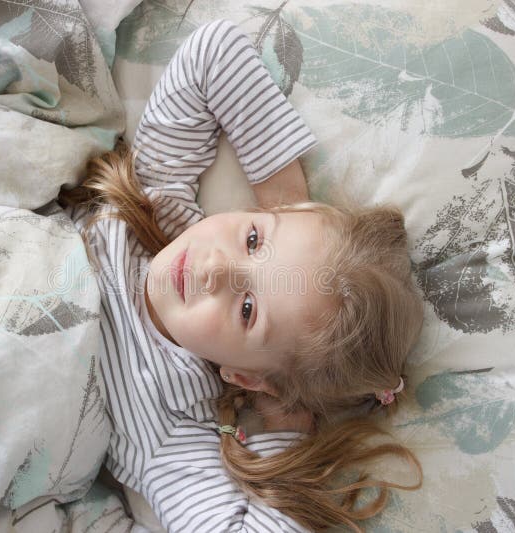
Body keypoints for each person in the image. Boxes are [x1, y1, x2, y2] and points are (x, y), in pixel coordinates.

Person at [59, 19, 423, 533]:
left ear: (249, 377)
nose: (212, 267)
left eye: (248, 309)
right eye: (252, 240)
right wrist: (284, 198)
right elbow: (213, 52)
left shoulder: (172, 427)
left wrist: (283, 430)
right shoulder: (153, 212)